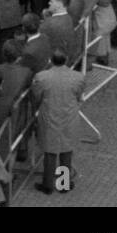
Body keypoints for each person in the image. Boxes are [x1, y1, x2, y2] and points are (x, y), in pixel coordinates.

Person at [30, 48, 85, 195]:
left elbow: (36, 96)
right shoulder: (78, 77)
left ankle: (47, 184)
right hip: (69, 117)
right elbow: (79, 95)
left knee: (50, 151)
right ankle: (64, 183)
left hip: (50, 116)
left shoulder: (42, 77)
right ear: (66, 60)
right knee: (66, 150)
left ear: (51, 60)